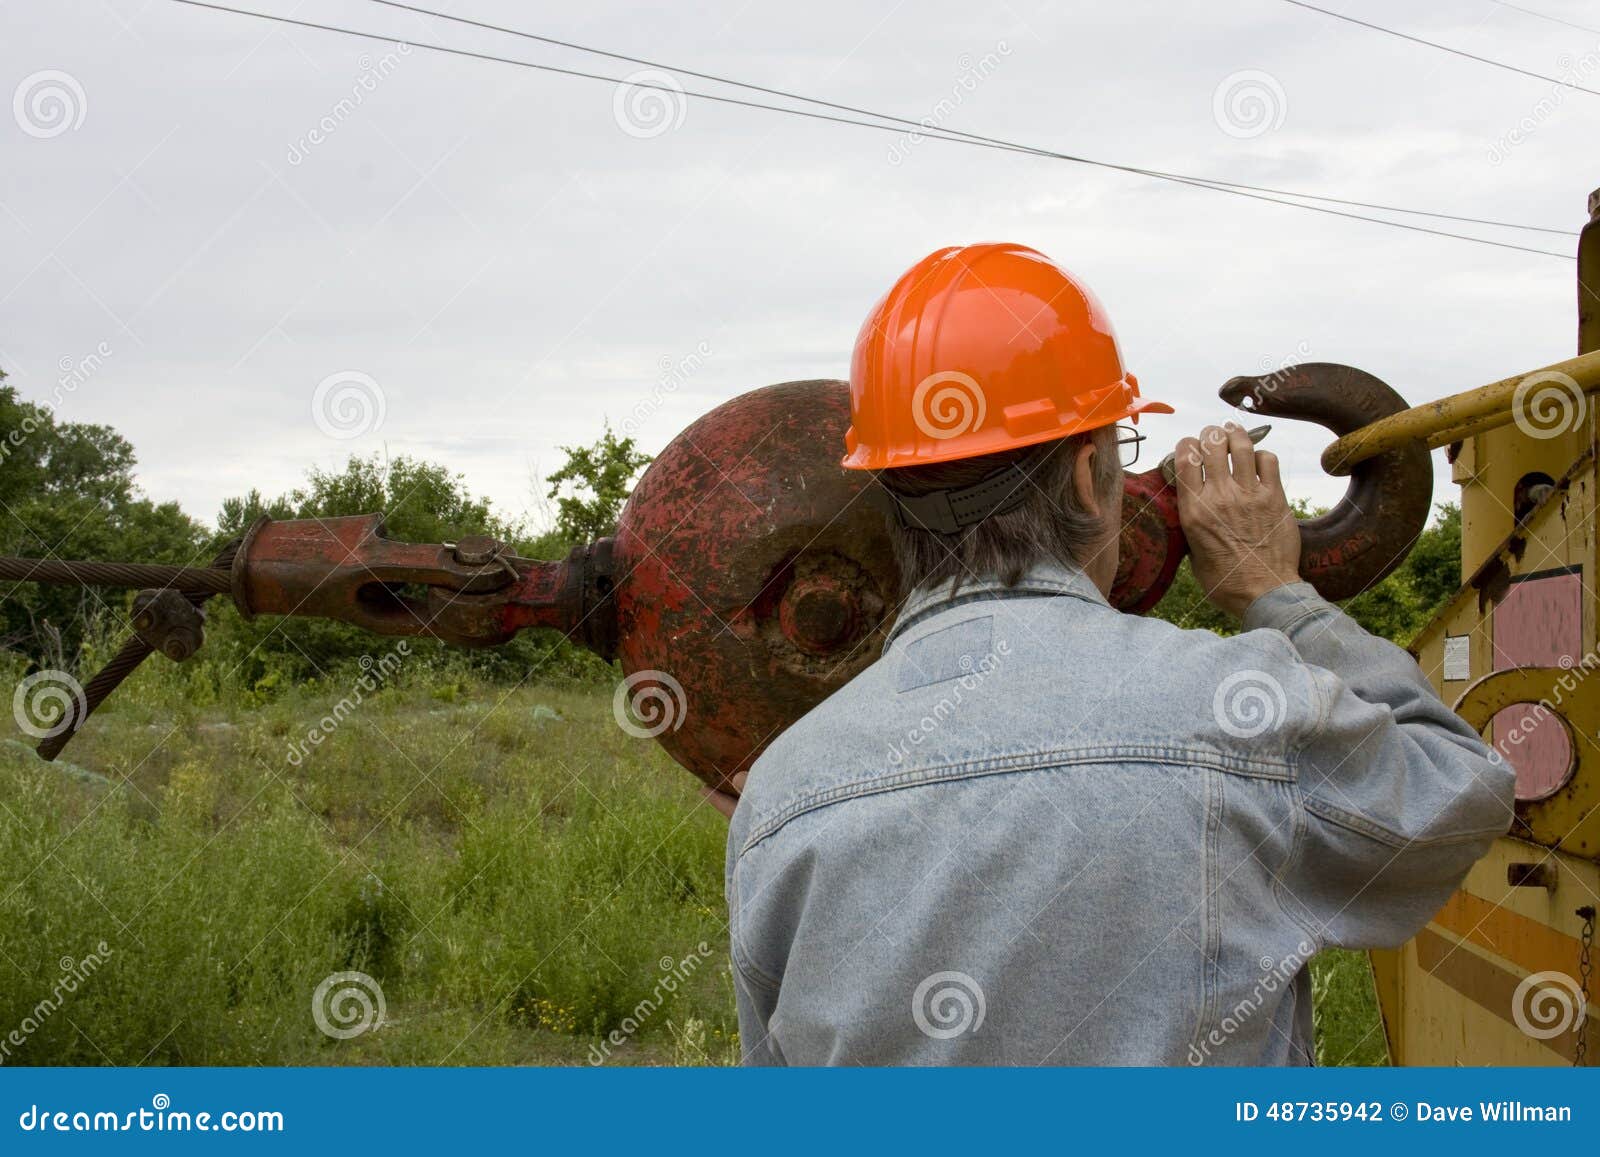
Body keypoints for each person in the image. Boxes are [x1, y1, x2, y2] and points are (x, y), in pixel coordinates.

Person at [707, 243, 1513, 1065]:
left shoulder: (783, 793)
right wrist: (1275, 591)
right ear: (1092, 478)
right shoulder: (1241, 712)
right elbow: (1463, 791)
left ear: (888, 492)